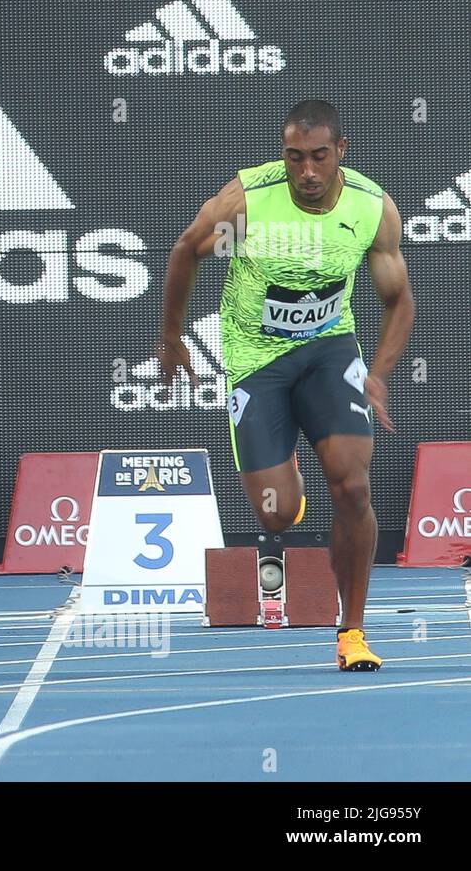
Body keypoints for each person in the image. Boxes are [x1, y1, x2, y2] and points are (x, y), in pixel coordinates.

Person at [158, 100, 414, 670]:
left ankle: (352, 631)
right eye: (294, 157)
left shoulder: (370, 210)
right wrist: (172, 336)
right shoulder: (248, 205)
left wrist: (377, 373)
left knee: (352, 488)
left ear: (340, 151)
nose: (307, 172)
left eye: (319, 157)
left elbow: (397, 299)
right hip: (258, 361)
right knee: (276, 512)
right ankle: (288, 472)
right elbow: (186, 251)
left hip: (329, 352)